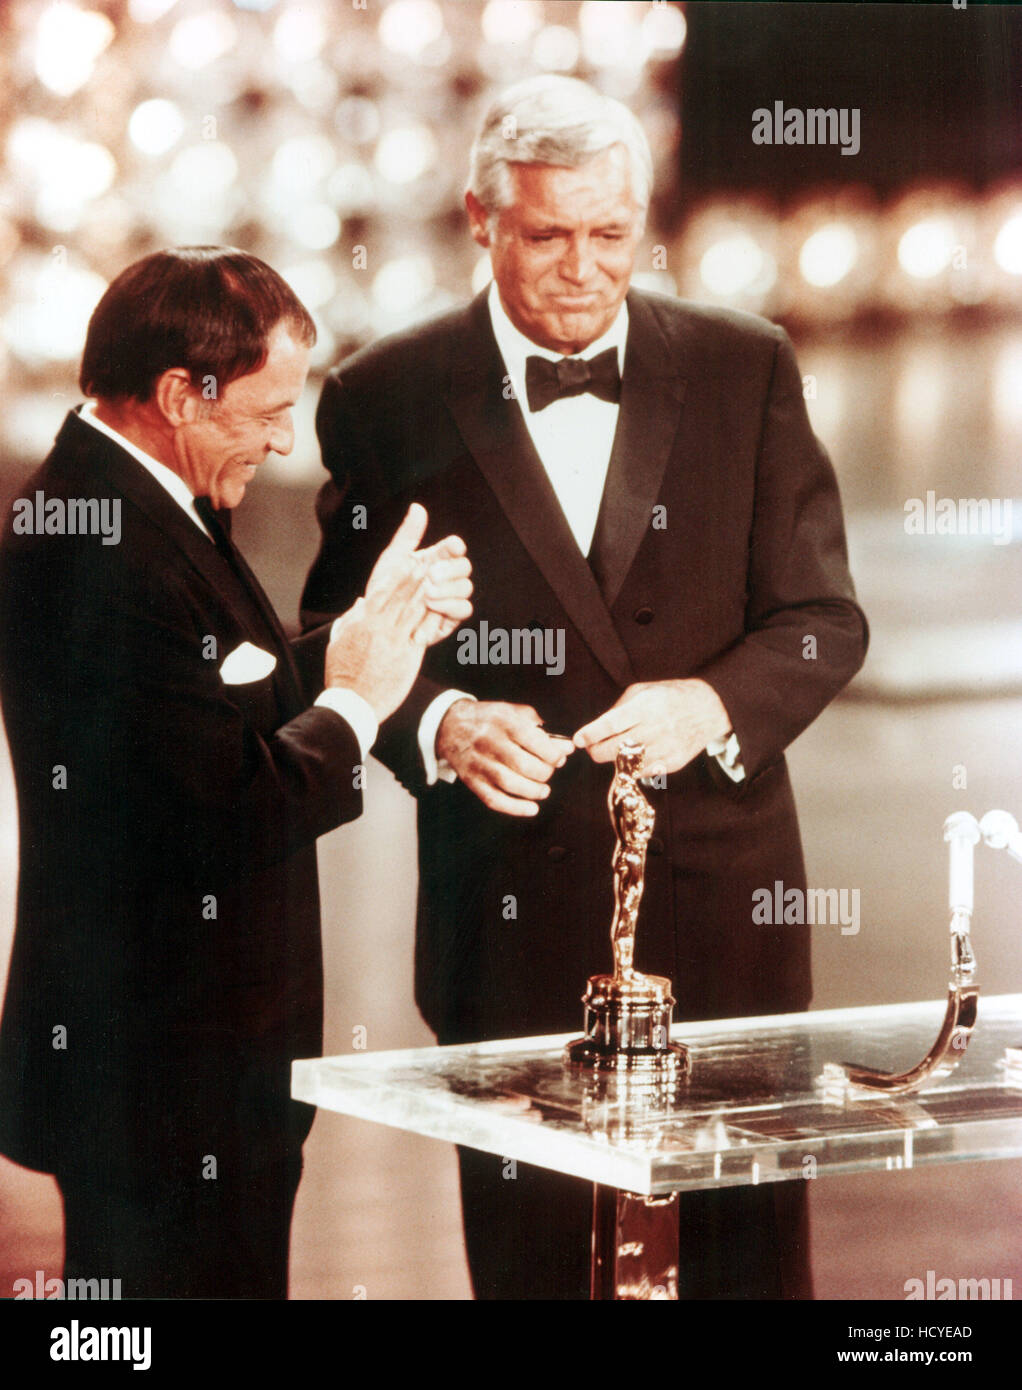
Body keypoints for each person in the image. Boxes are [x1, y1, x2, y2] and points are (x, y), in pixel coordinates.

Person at [301, 76, 868, 1300]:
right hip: (509, 913)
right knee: (536, 1267)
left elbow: (823, 623)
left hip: (726, 916)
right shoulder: (382, 395)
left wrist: (708, 706)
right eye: (545, 235)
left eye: (608, 235)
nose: (579, 268)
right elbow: (328, 635)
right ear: (478, 218)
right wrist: (442, 721)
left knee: (747, 1269)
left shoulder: (743, 366)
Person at [0, 247, 471, 1299]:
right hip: (155, 1083)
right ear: (179, 394)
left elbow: (210, 706)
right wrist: (355, 697)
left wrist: (365, 629)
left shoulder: (140, 503)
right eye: (266, 409)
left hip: (199, 1075)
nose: (284, 438)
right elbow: (225, 807)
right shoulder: (91, 541)